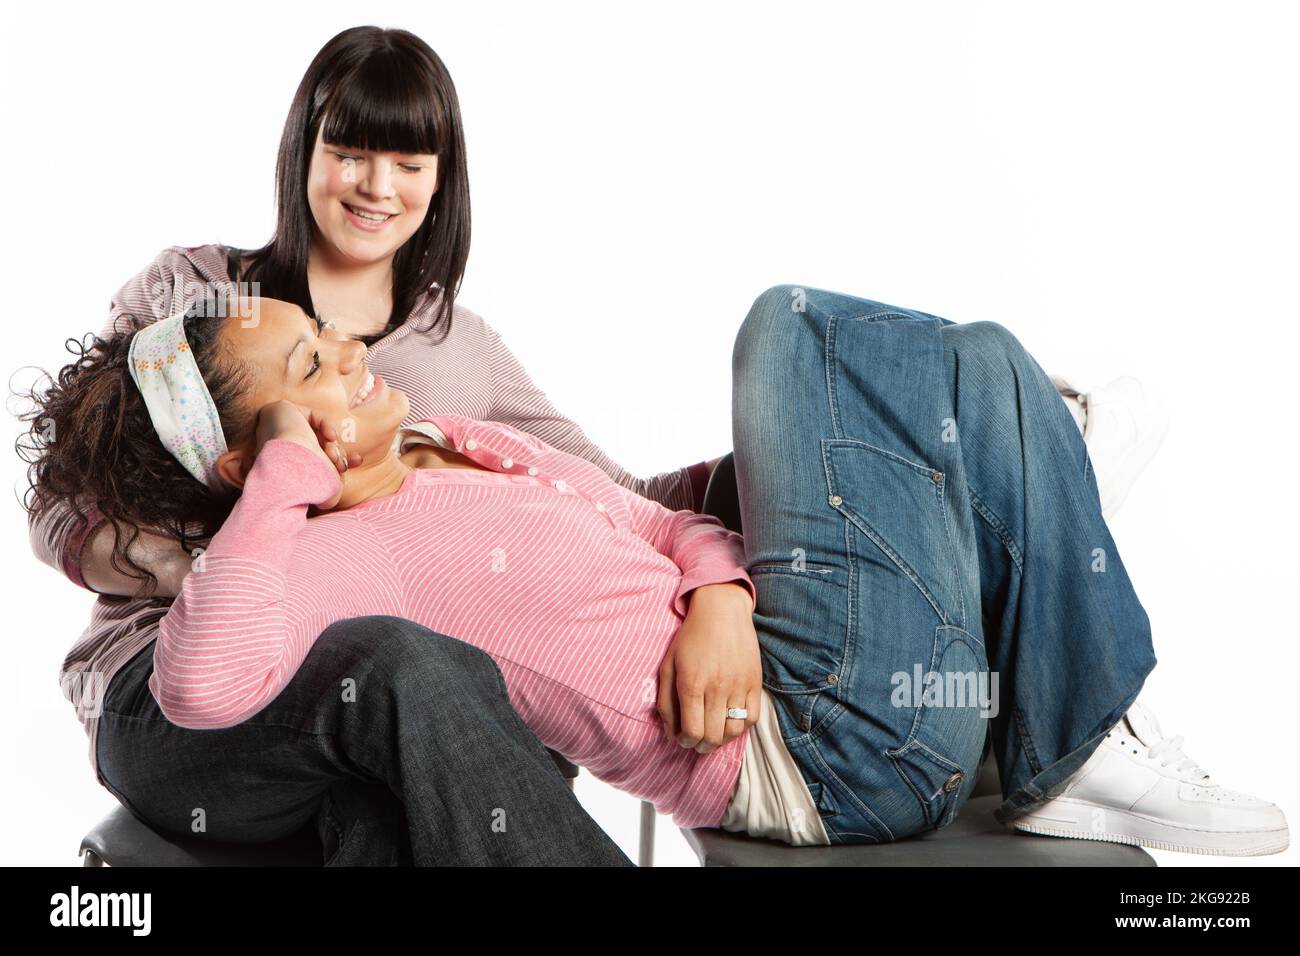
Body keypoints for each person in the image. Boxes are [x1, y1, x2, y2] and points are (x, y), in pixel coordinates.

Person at [23, 291, 1287, 856]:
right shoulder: (321, 566)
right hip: (824, 751)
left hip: (800, 657)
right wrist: (277, 494)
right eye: (310, 372)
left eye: (321, 334)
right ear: (258, 457)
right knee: (788, 331)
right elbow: (199, 684)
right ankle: (1046, 551)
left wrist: (725, 595)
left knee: (977, 356)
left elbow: (663, 528)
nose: (347, 347)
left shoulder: (458, 443)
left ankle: (1048, 578)